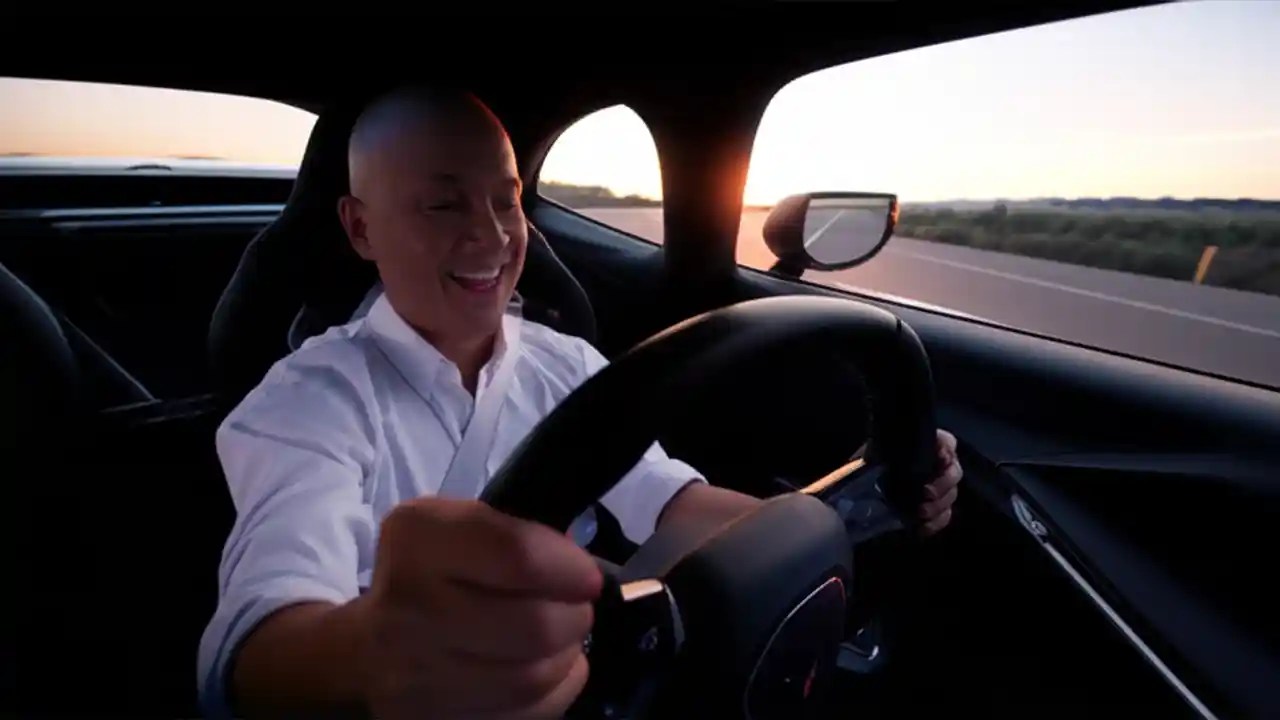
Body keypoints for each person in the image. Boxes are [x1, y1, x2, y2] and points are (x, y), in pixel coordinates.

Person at [196, 86, 963, 719]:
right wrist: (374, 653)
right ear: (361, 227)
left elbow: (673, 503)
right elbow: (256, 640)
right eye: (443, 206)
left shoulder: (565, 362)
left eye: (508, 201)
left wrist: (860, 507)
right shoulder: (311, 397)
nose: (493, 237)